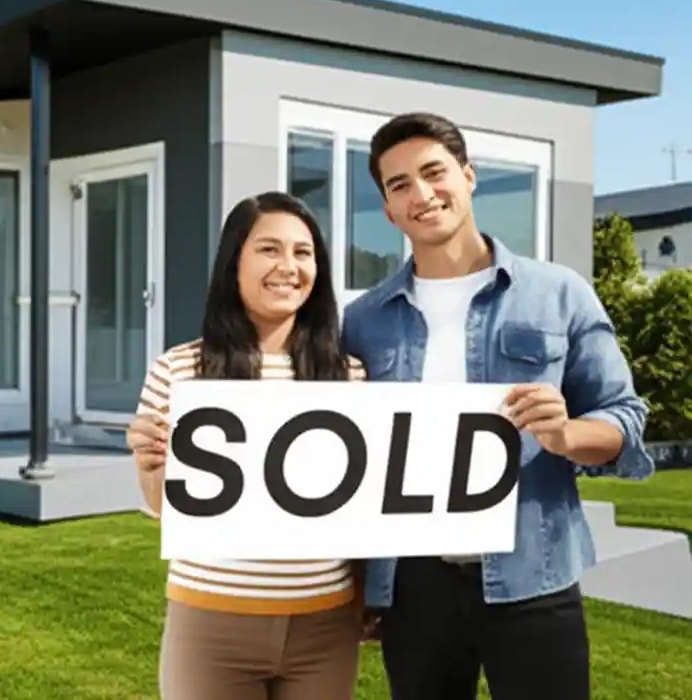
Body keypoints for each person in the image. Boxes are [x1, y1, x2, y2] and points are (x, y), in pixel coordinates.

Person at [130, 112, 655, 700]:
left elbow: (625, 421)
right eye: (399, 185)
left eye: (434, 173)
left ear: (469, 175)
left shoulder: (559, 293)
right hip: (415, 588)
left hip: (534, 573)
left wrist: (566, 436)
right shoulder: (362, 324)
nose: (422, 194)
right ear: (386, 209)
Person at [130, 191, 367, 700]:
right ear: (233, 262)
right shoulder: (179, 369)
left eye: (303, 253)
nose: (288, 266)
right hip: (212, 622)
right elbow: (159, 507)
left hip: (325, 625)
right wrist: (151, 464)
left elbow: (362, 508)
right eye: (268, 250)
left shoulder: (349, 376)